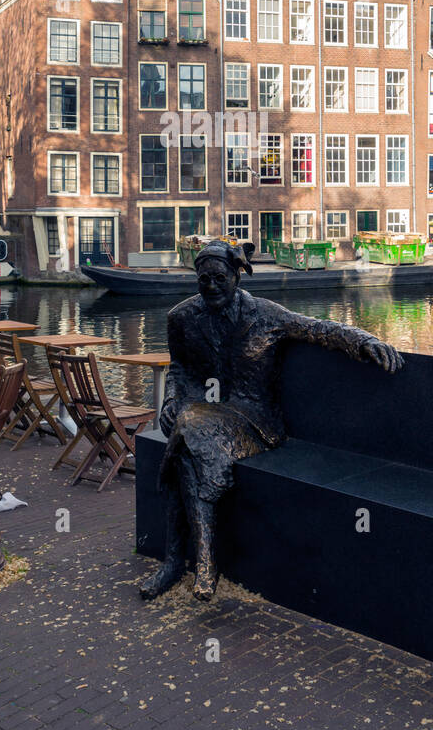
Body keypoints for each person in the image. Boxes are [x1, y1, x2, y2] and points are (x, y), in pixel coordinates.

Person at [140, 240, 404, 602]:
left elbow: (318, 329)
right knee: (188, 429)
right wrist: (172, 400)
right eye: (204, 280)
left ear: (237, 276)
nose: (212, 287)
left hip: (253, 418)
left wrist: (363, 338)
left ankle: (180, 562)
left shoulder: (265, 314)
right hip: (200, 411)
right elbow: (180, 369)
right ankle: (196, 563)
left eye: (220, 278)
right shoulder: (181, 318)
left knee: (187, 435)